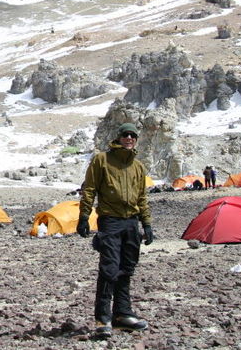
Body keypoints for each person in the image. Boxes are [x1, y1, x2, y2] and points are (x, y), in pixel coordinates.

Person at [78, 122, 153, 338]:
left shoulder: (137, 166)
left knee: (127, 267)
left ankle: (122, 314)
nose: (129, 138)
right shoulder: (101, 160)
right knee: (109, 269)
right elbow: (89, 188)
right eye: (125, 134)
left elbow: (142, 197)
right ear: (118, 137)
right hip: (110, 221)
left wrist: (146, 224)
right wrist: (84, 216)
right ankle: (103, 319)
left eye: (133, 135)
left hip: (131, 222)